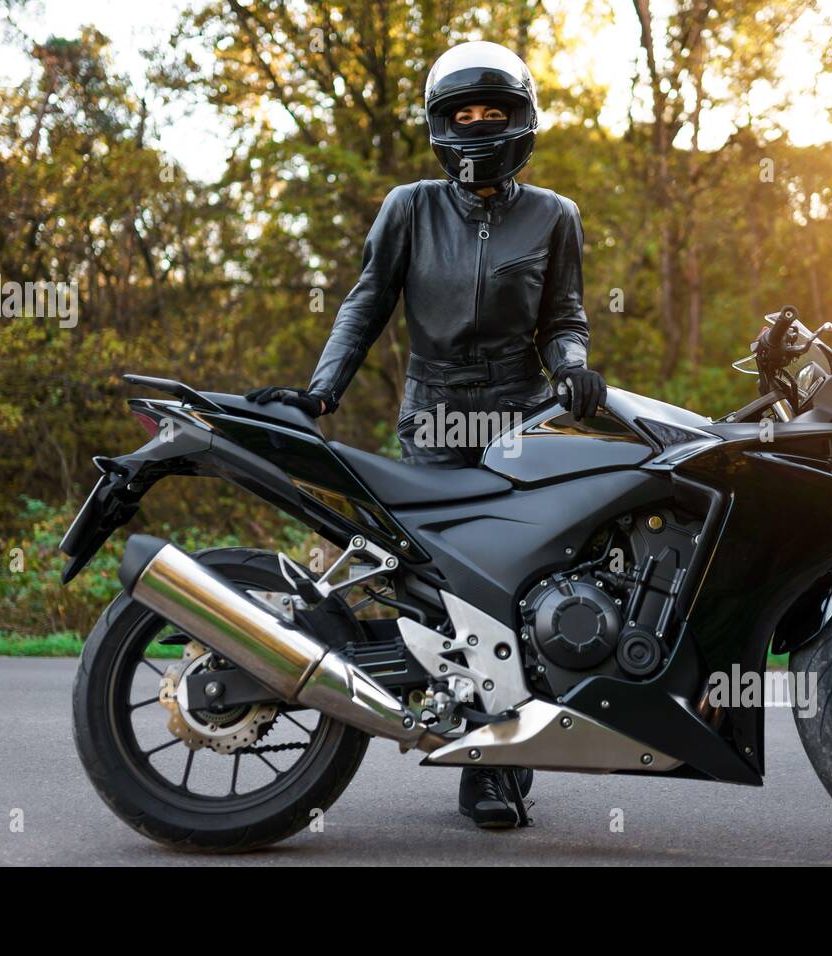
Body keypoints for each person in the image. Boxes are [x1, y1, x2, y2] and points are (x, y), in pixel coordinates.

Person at [247, 40, 606, 829]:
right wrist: (320, 392)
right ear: (441, 124)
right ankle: (472, 751)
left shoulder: (556, 216)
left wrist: (573, 366)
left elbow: (564, 319)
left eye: (494, 111)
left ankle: (504, 768)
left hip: (521, 420)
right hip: (436, 418)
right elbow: (365, 301)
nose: (479, 124)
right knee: (450, 595)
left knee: (519, 590)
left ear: (521, 119)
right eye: (463, 113)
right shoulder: (409, 205)